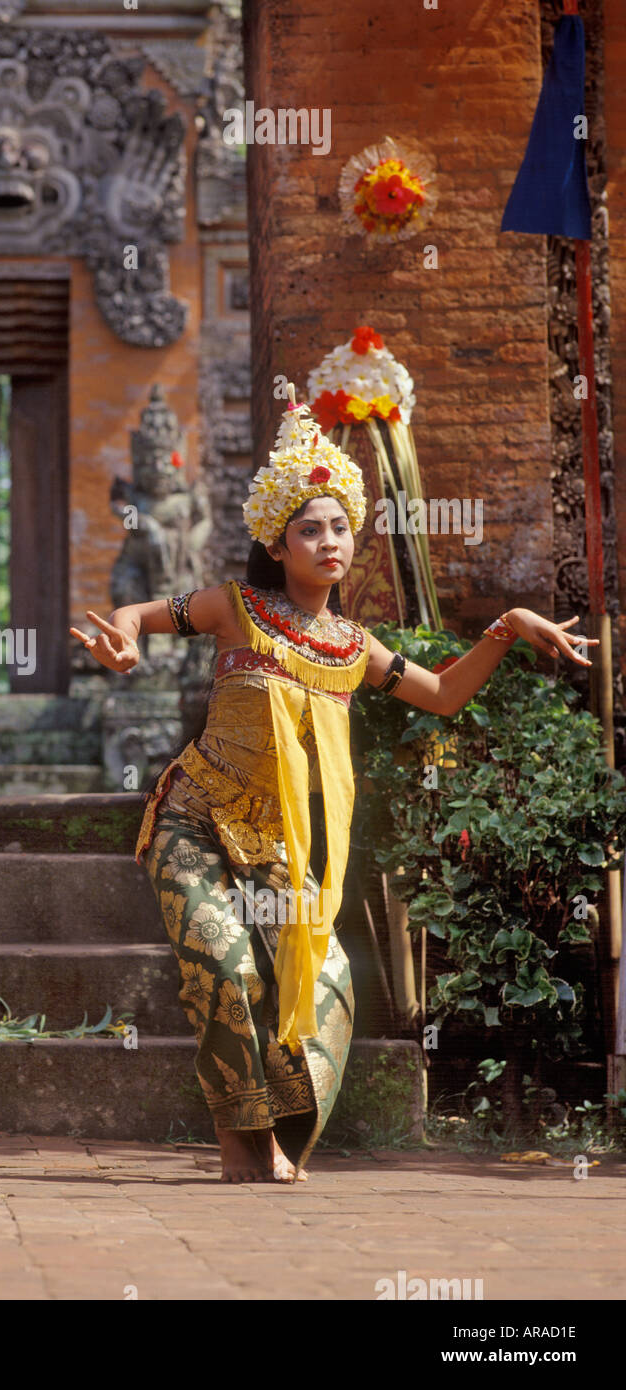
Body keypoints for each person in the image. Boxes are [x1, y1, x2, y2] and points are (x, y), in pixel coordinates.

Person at [72, 390, 597, 1184]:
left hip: (280, 842)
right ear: (278, 545)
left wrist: (510, 626)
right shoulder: (237, 611)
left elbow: (445, 695)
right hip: (194, 819)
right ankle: (240, 1141)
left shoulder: (355, 647)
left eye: (340, 527)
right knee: (223, 963)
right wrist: (121, 638)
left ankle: (275, 1132)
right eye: (309, 529)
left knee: (317, 978)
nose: (328, 541)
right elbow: (140, 614)